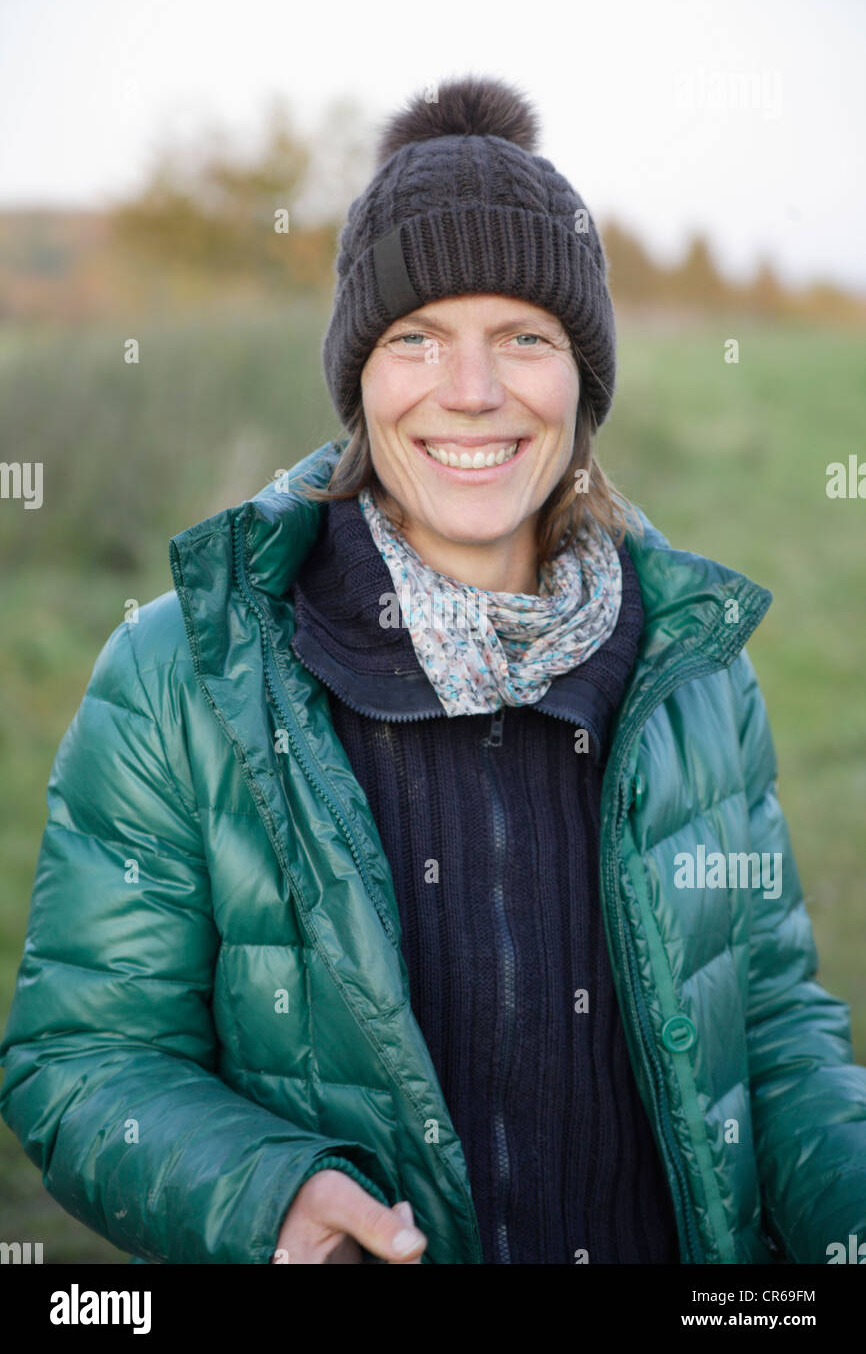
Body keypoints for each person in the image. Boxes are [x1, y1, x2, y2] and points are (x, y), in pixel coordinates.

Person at [2, 74, 865, 1266]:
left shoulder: (693, 671)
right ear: (360, 376)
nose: (470, 391)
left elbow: (766, 1026)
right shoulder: (182, 678)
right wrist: (271, 1195)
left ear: (582, 380)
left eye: (524, 336)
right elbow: (81, 1059)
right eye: (416, 337)